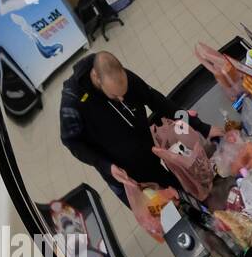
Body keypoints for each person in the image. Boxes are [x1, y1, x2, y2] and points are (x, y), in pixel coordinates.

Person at [59, 51, 214, 200]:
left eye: (123, 93)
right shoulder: (72, 103)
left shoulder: (119, 75)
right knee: (164, 216)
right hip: (124, 176)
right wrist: (105, 165)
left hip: (149, 156)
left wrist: (202, 127)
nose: (121, 99)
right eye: (114, 96)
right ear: (97, 79)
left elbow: (157, 101)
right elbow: (72, 142)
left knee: (183, 197)